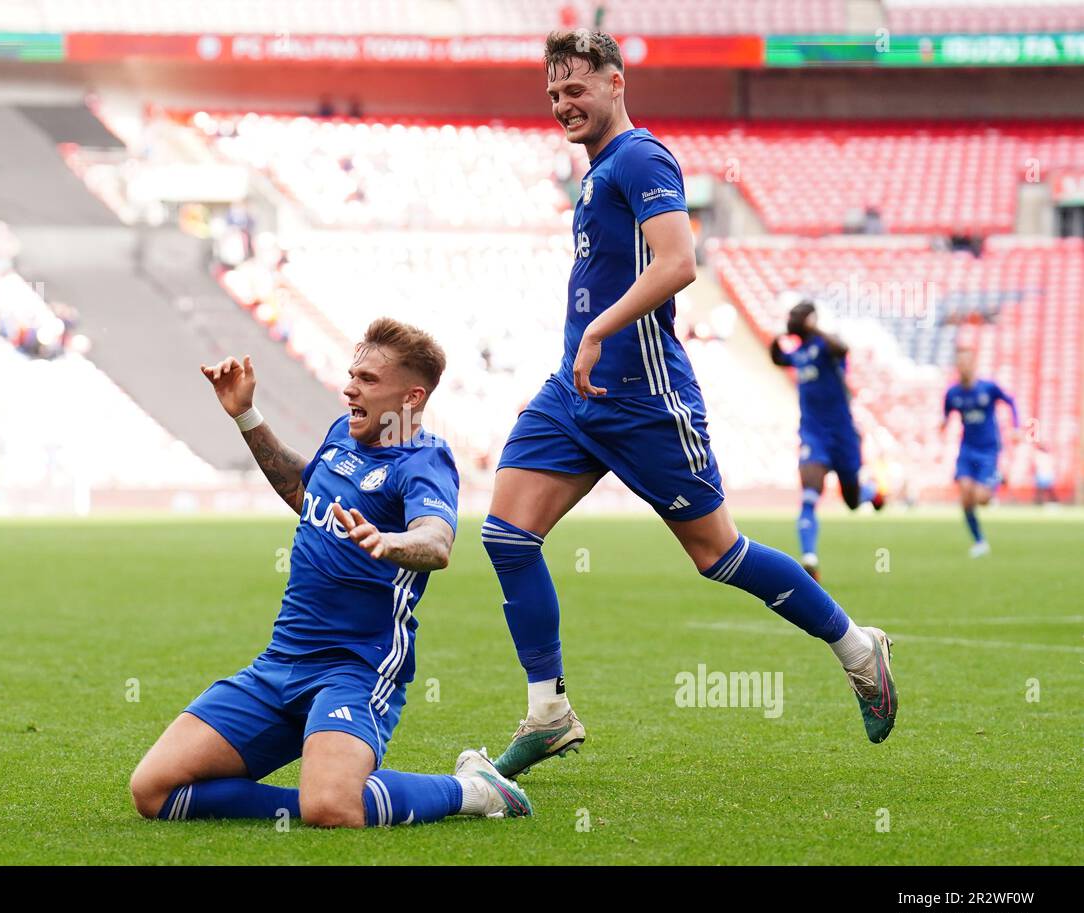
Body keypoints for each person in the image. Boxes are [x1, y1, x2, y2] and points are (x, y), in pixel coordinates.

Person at [483, 31, 898, 782]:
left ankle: (858, 648)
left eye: (575, 89)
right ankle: (549, 713)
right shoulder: (596, 171)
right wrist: (579, 346)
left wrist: (600, 330)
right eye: (552, 94)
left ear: (615, 83)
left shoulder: (642, 157)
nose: (561, 105)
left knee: (720, 555)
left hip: (643, 395)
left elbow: (678, 264)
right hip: (575, 393)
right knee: (508, 536)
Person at [130, 318, 531, 827]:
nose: (349, 388)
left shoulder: (425, 460)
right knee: (153, 791)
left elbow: (437, 540)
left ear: (410, 398)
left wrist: (391, 541)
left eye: (366, 379)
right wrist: (246, 416)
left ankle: (476, 790)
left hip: (356, 669)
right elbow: (305, 494)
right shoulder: (344, 432)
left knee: (332, 808)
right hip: (282, 660)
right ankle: (326, 791)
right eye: (351, 374)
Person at [770, 301, 884, 581]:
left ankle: (871, 492)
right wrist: (776, 339)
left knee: (853, 501)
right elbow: (778, 359)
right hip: (813, 433)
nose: (792, 320)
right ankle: (810, 559)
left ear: (810, 320)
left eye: (798, 316)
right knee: (810, 493)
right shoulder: (798, 354)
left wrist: (814, 327)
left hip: (843, 434)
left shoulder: (826, 347)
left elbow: (843, 349)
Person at [943, 348, 1019, 556]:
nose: (963, 366)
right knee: (965, 497)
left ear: (974, 364)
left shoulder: (988, 388)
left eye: (967, 362)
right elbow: (947, 413)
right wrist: (942, 424)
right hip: (967, 449)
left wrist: (1016, 427)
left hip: (988, 449)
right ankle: (979, 541)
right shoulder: (953, 393)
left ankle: (997, 478)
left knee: (981, 498)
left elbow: (1011, 401)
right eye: (960, 363)